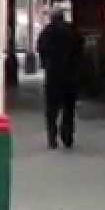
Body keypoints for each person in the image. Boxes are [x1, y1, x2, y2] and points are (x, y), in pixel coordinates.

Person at [36, 9, 82, 149]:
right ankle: (67, 135)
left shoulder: (47, 32)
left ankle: (52, 136)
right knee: (69, 108)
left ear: (52, 18)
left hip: (53, 75)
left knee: (52, 108)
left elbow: (41, 49)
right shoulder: (72, 31)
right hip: (70, 75)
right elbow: (80, 49)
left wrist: (46, 63)